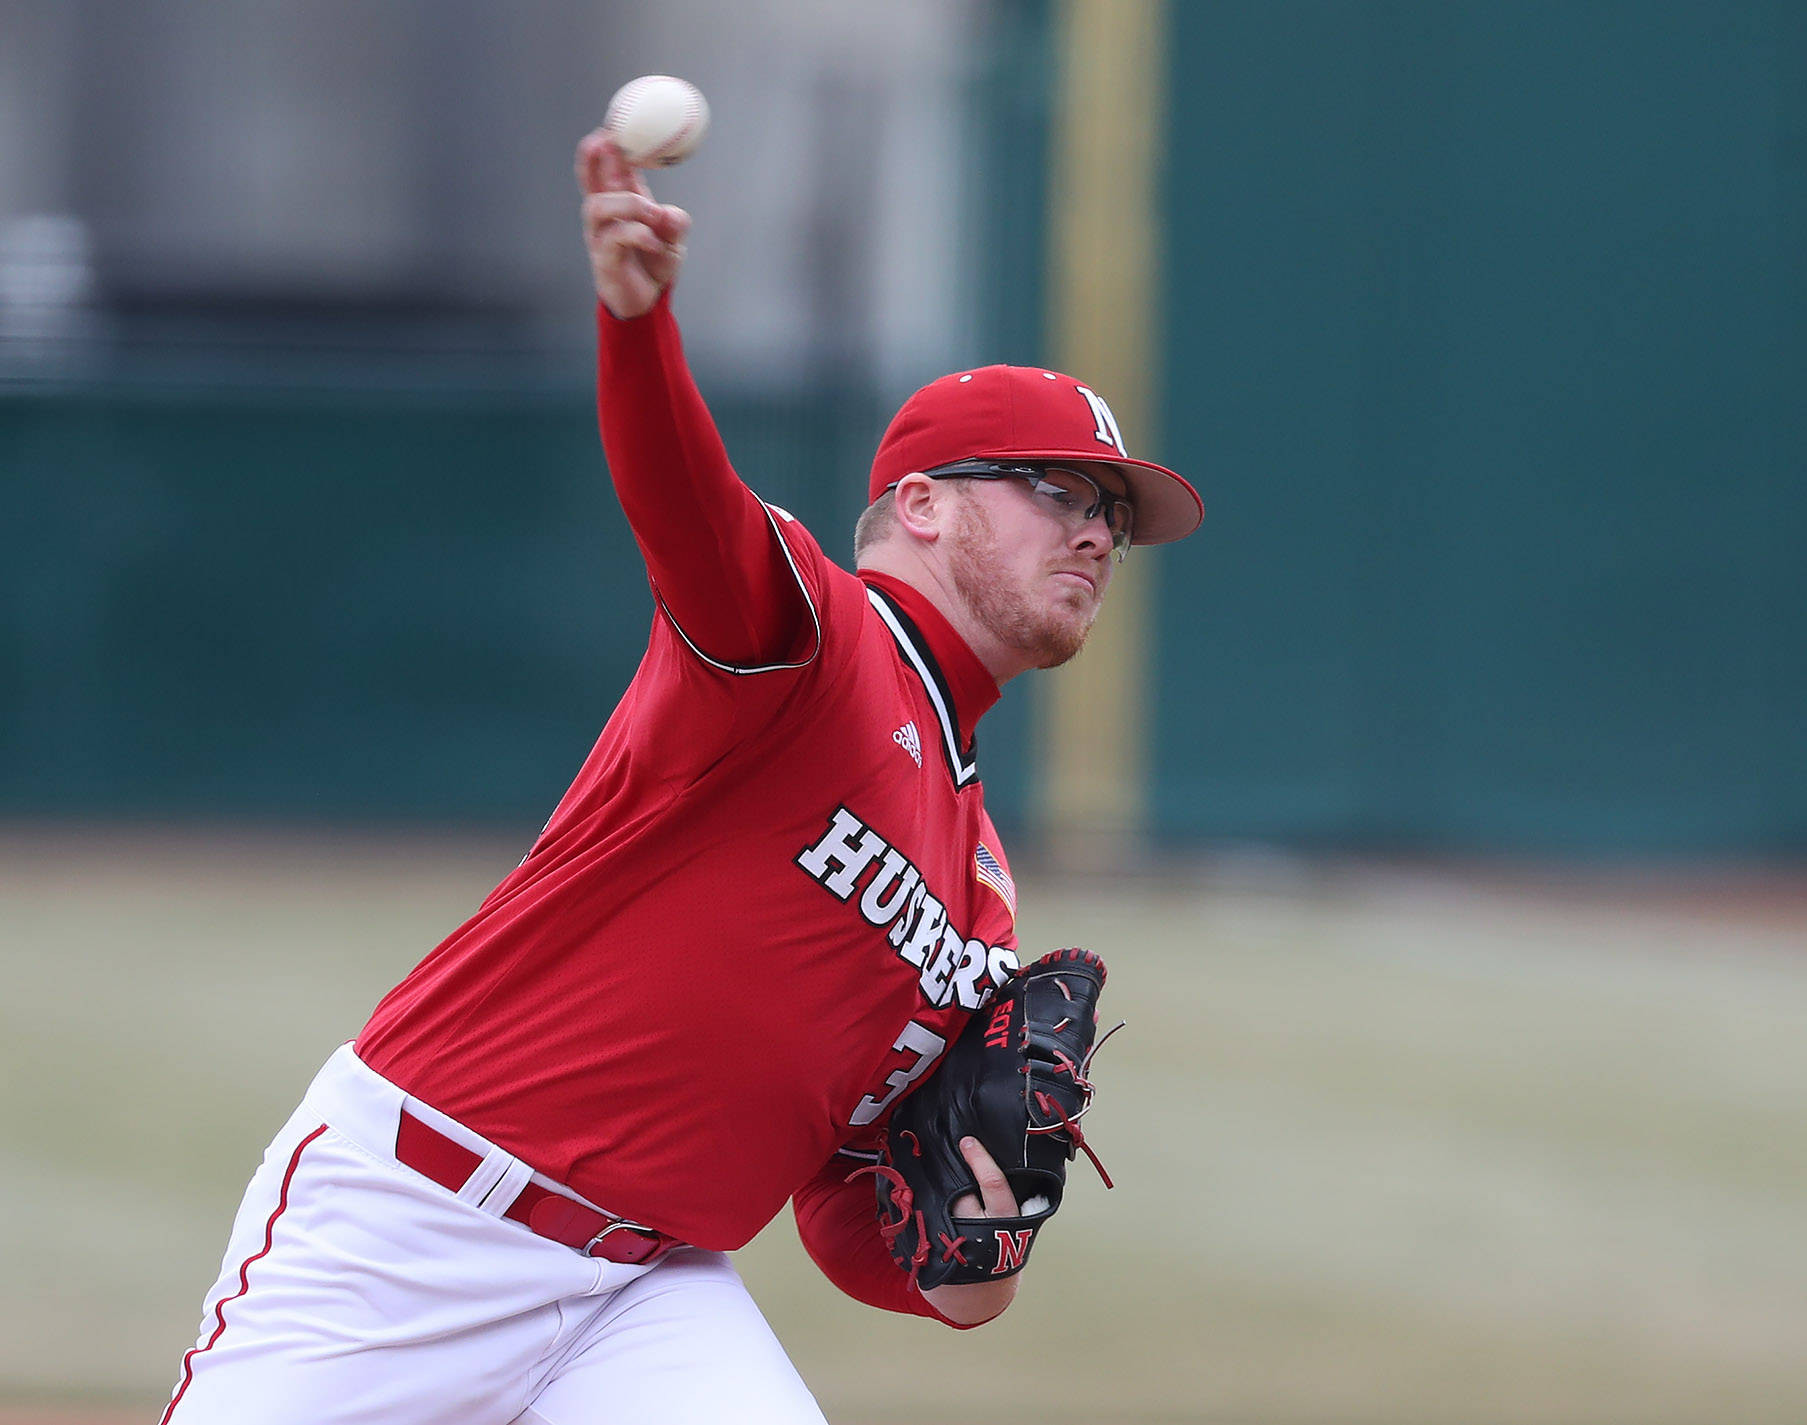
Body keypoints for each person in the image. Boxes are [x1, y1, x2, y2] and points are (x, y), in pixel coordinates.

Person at [159, 129, 1204, 1425]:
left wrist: (981, 1234)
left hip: (648, 1297)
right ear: (924, 504)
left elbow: (848, 1217)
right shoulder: (809, 642)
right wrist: (636, 322)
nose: (1100, 530)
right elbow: (685, 503)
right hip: (415, 1227)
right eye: (1061, 490)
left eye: (1115, 511)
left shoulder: (979, 888)